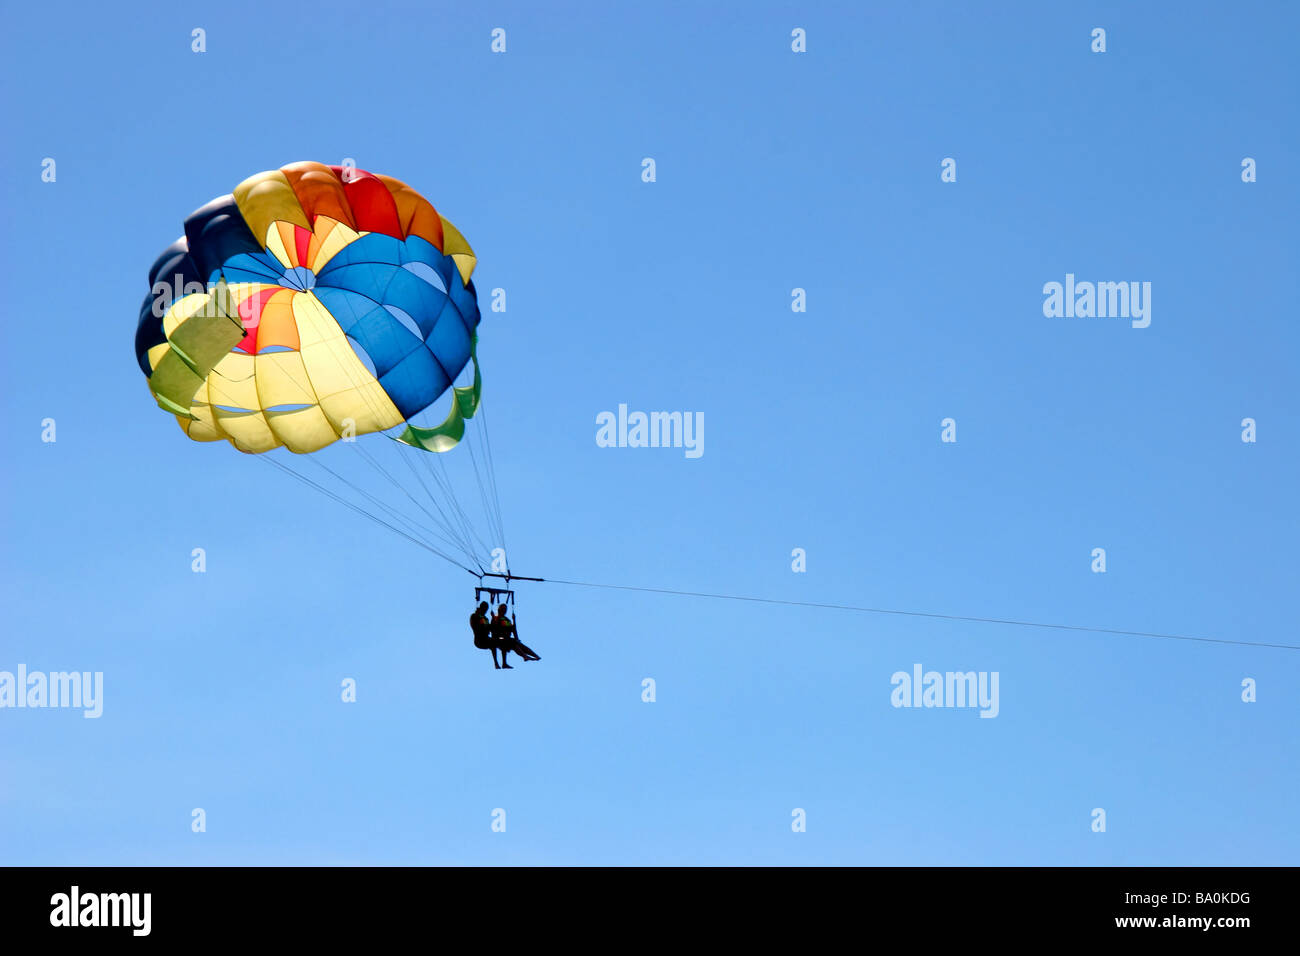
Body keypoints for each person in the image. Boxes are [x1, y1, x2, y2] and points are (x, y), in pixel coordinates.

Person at [470, 601, 504, 669]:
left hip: (486, 638)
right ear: (481, 608)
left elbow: (490, 628)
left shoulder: (485, 618)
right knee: (493, 644)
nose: (485, 611)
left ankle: (504, 663)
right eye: (484, 609)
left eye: (486, 609)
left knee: (501, 642)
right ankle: (496, 663)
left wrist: (493, 618)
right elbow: (475, 626)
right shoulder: (474, 616)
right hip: (479, 640)